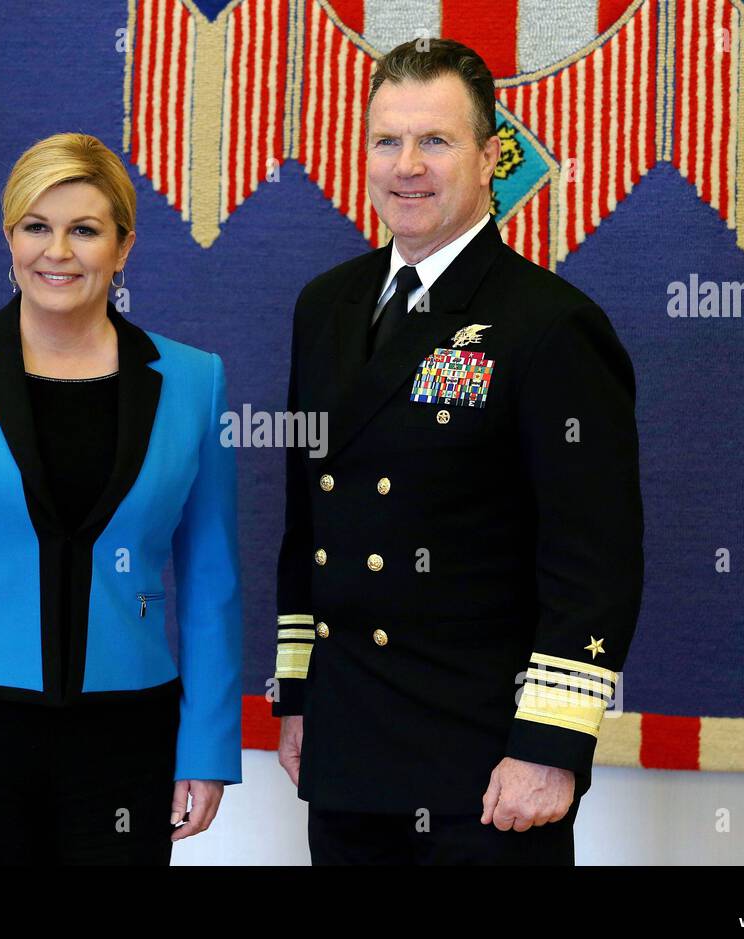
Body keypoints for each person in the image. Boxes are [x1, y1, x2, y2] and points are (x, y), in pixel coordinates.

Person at [272, 38, 644, 865]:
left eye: (434, 141)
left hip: (483, 769)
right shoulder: (324, 305)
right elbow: (309, 522)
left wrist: (550, 747)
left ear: (491, 157)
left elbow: (595, 561)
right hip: (347, 750)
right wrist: (298, 697)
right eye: (386, 140)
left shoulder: (549, 325)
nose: (407, 166)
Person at [0, 132, 242, 865]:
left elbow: (212, 582)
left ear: (122, 246)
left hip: (127, 738)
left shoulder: (195, 382)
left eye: (84, 229)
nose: (56, 251)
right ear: (9, 236)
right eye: (37, 226)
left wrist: (209, 745)